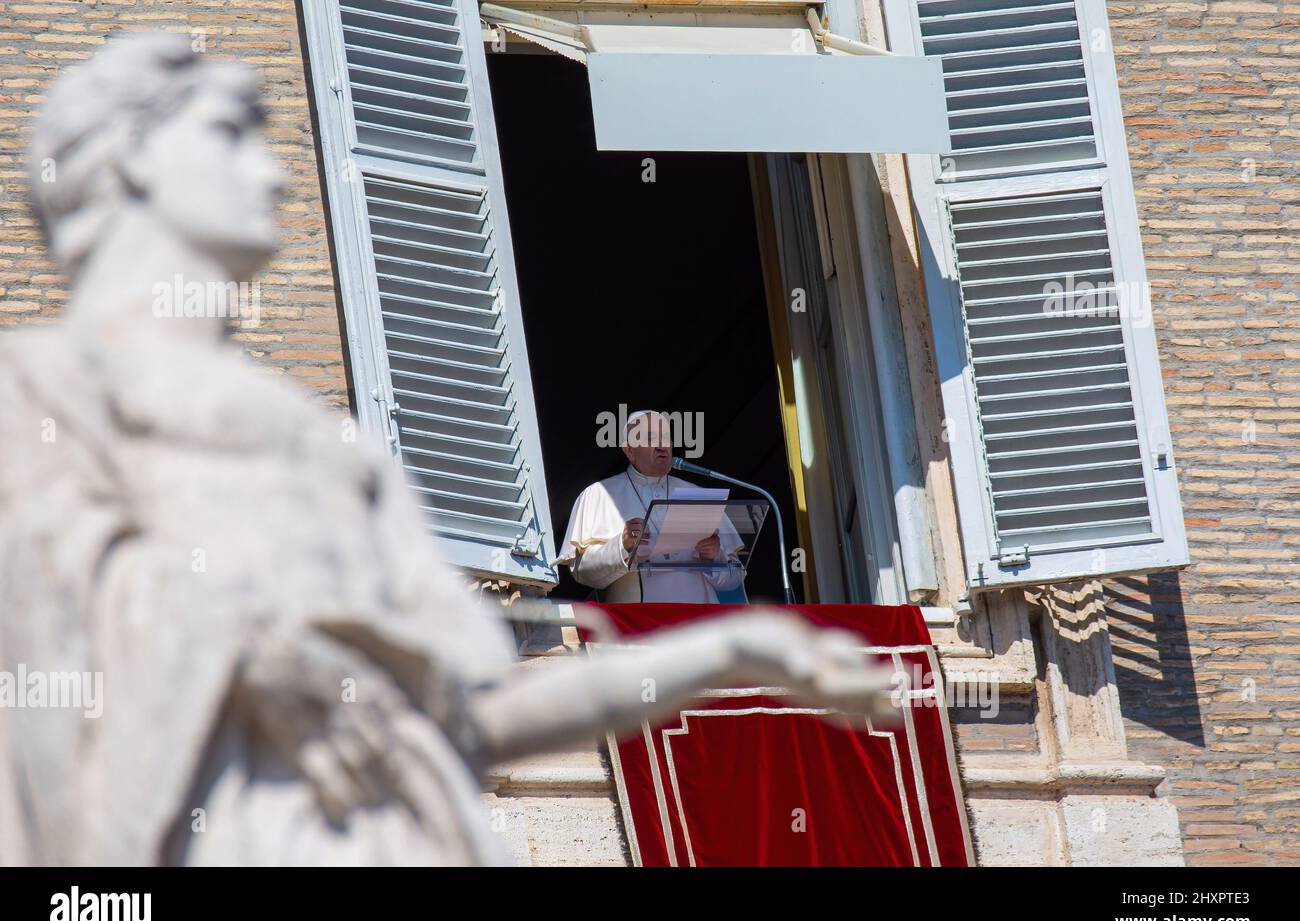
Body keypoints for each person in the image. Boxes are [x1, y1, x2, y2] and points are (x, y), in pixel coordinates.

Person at [0, 33, 892, 866]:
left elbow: (475, 714)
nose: (274, 174)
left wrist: (737, 651)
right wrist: (253, 650)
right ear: (129, 158)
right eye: (231, 135)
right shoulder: (31, 394)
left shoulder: (334, 457)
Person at [559, 410, 746, 602]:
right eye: (650, 438)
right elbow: (581, 572)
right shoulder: (599, 494)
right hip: (639, 624)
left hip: (700, 624)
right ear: (629, 450)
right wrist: (622, 547)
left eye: (666, 438)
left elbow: (736, 578)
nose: (661, 446)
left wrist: (713, 558)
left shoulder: (699, 496)